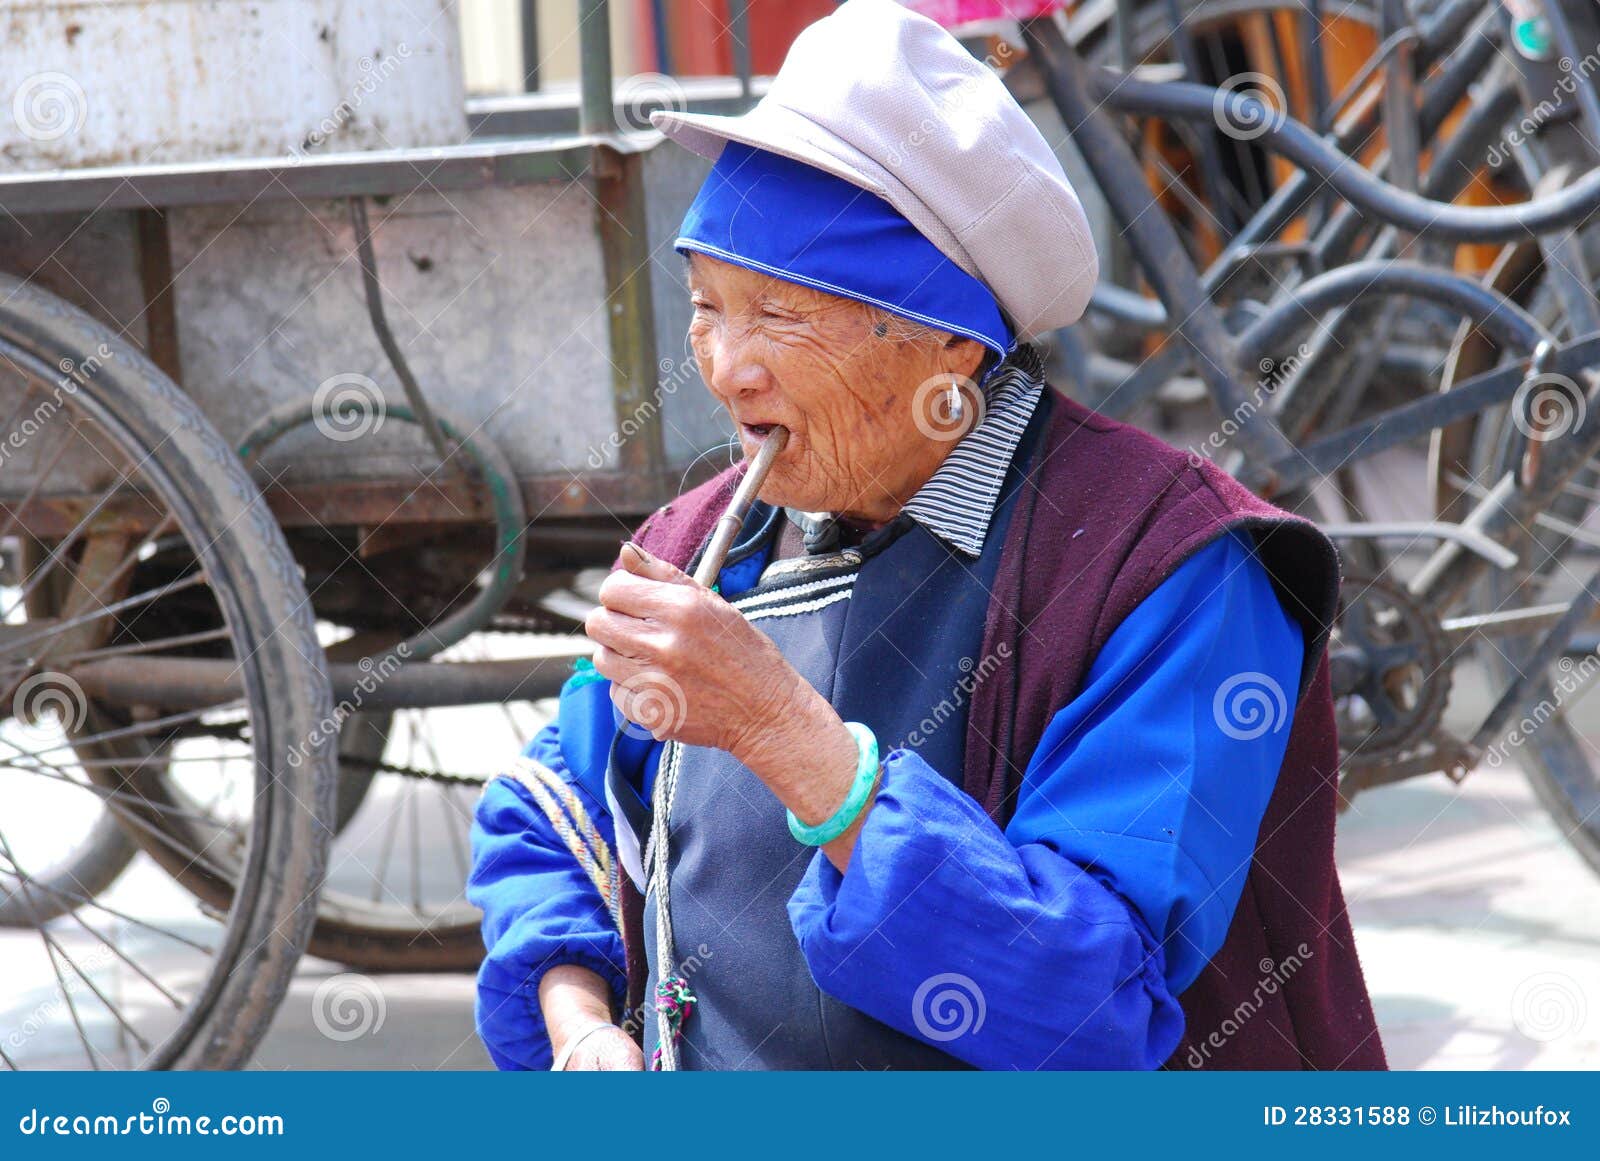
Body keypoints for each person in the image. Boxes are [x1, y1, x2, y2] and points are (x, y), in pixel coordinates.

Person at [468, 0, 1385, 1071]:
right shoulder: (707, 544)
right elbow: (555, 812)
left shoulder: (1171, 570)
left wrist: (785, 734)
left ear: (951, 348)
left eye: (782, 315)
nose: (726, 368)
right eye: (708, 307)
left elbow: (1090, 1003)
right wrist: (581, 1025)